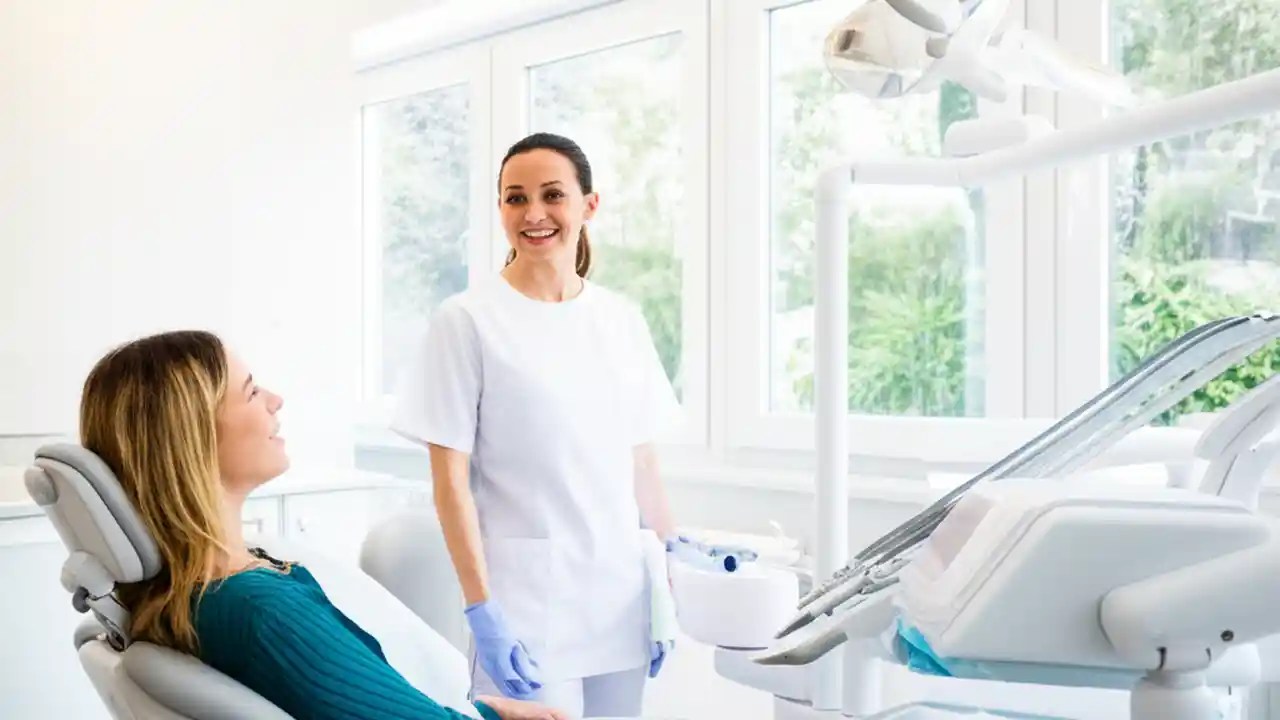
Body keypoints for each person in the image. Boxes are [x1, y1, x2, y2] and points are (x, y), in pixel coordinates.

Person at [79, 330, 570, 720]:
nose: (275, 399)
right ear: (190, 437)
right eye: (251, 392)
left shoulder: (181, 597)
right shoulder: (258, 609)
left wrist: (483, 712)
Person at [392, 132, 682, 719]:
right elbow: (449, 486)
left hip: (620, 596)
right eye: (514, 198)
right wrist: (481, 609)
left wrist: (669, 576)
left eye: (552, 195)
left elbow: (642, 461)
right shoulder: (467, 320)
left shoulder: (620, 320)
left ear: (588, 205)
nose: (534, 214)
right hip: (524, 605)